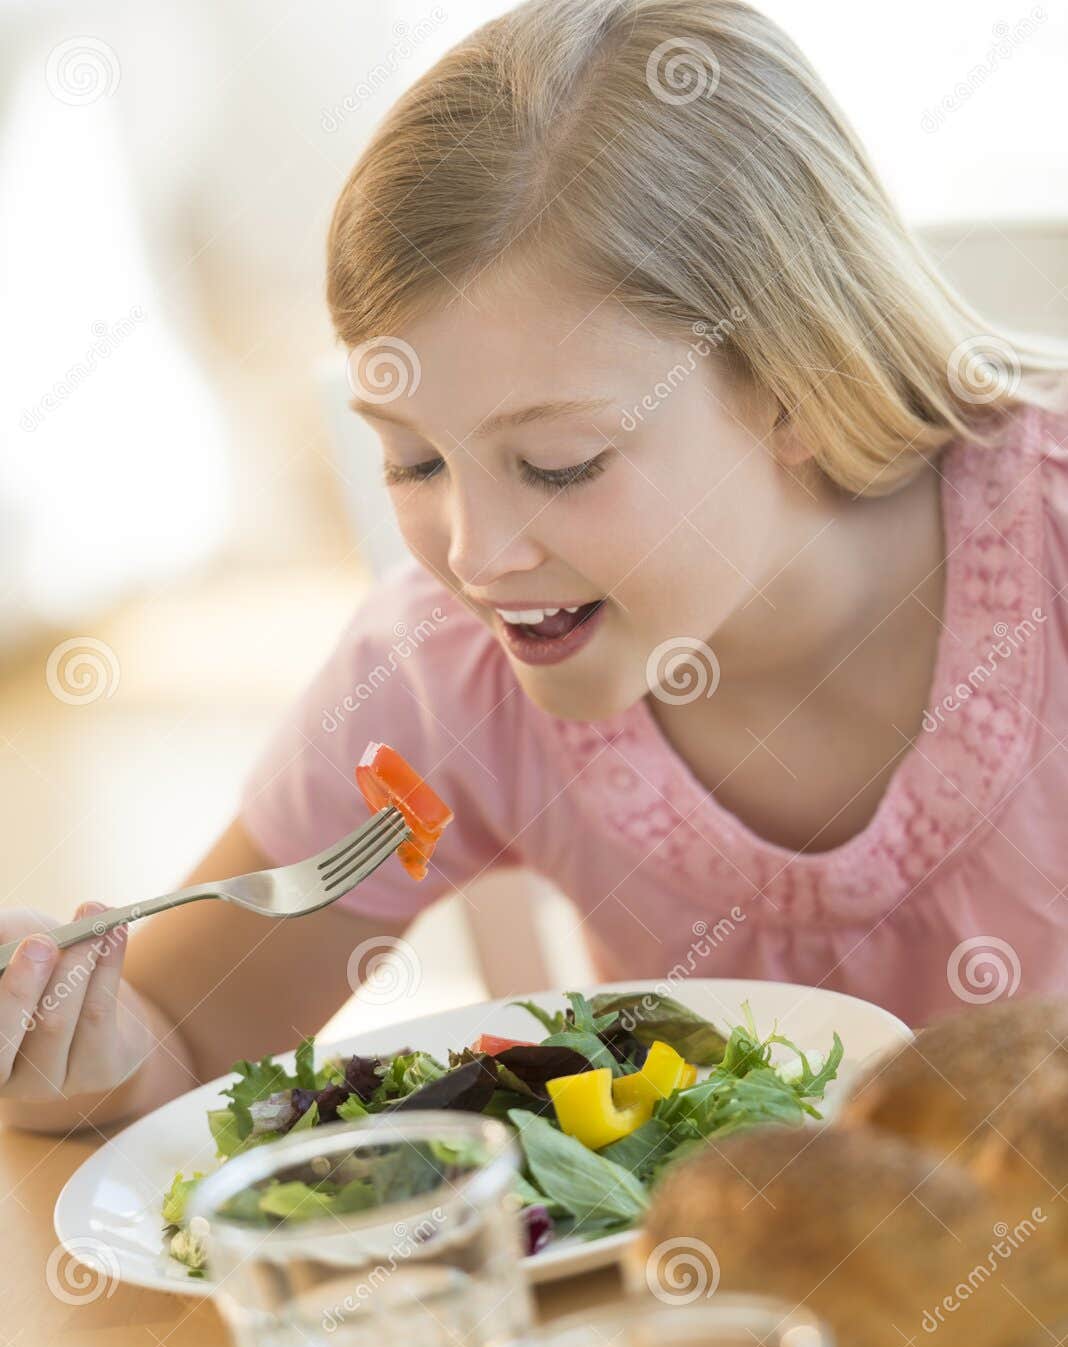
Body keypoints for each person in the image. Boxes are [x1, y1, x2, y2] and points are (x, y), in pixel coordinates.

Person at [3, 0, 1067, 1136]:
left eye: (559, 465)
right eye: (413, 461)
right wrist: (84, 1041)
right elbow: (183, 1035)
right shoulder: (443, 673)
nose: (474, 553)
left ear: (791, 385)